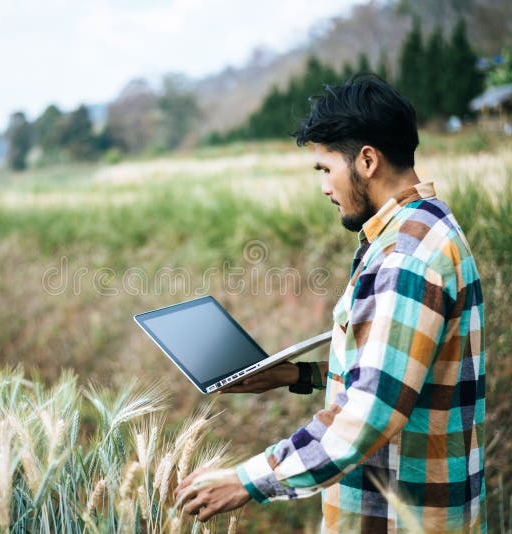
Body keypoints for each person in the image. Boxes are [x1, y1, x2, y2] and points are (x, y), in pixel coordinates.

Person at [176, 74, 487, 533]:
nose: (324, 187)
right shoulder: (429, 227)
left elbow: (372, 411)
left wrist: (248, 481)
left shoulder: (405, 258)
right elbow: (404, 374)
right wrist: (296, 374)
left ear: (366, 160)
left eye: (326, 169)